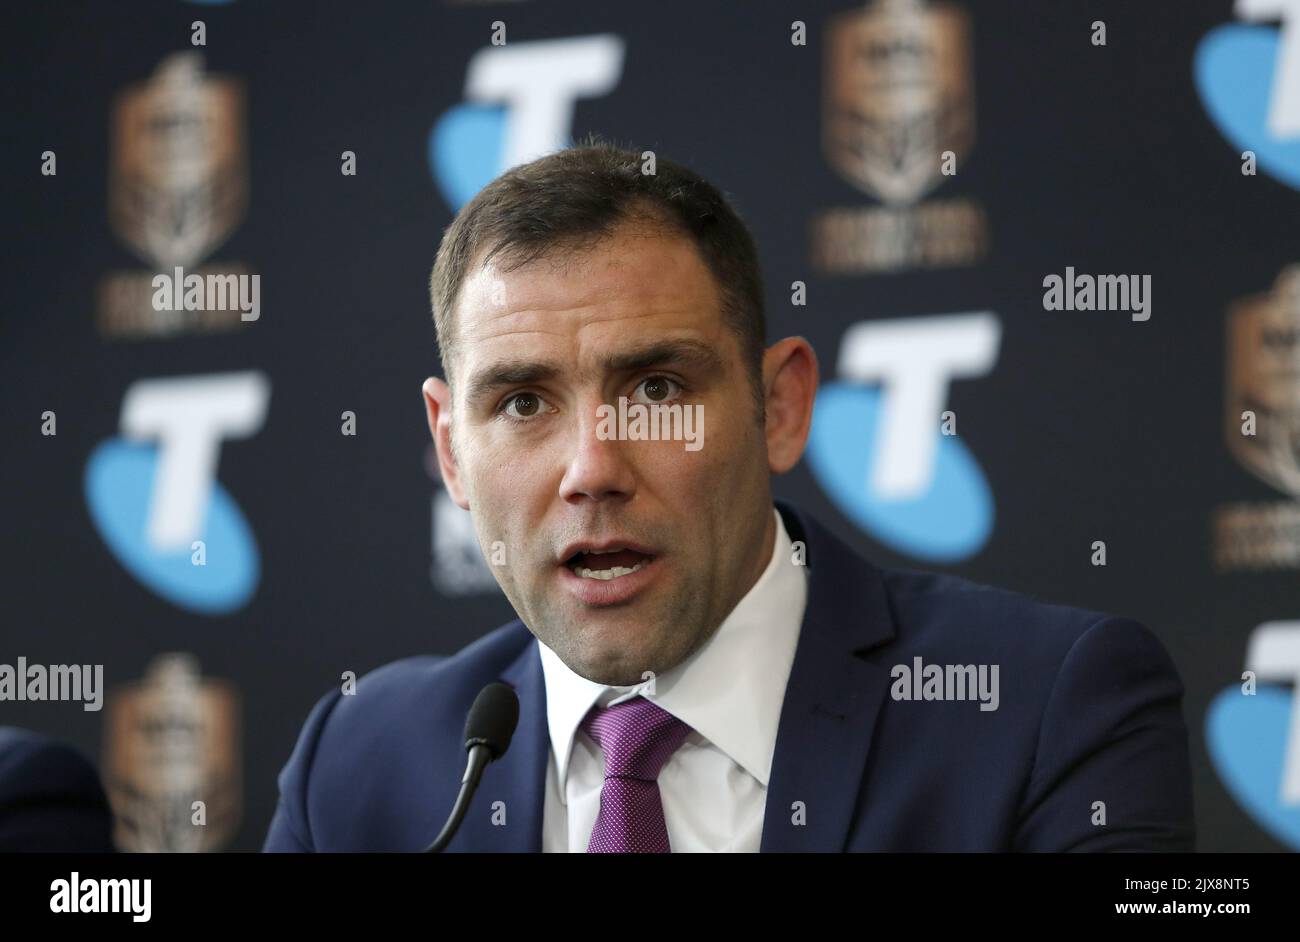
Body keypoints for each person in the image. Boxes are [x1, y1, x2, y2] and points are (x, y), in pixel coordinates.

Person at [264, 139, 1194, 852]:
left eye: (658, 389)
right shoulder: (356, 769)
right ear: (452, 453)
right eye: (521, 402)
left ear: (779, 407)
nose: (593, 467)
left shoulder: (1045, 708)